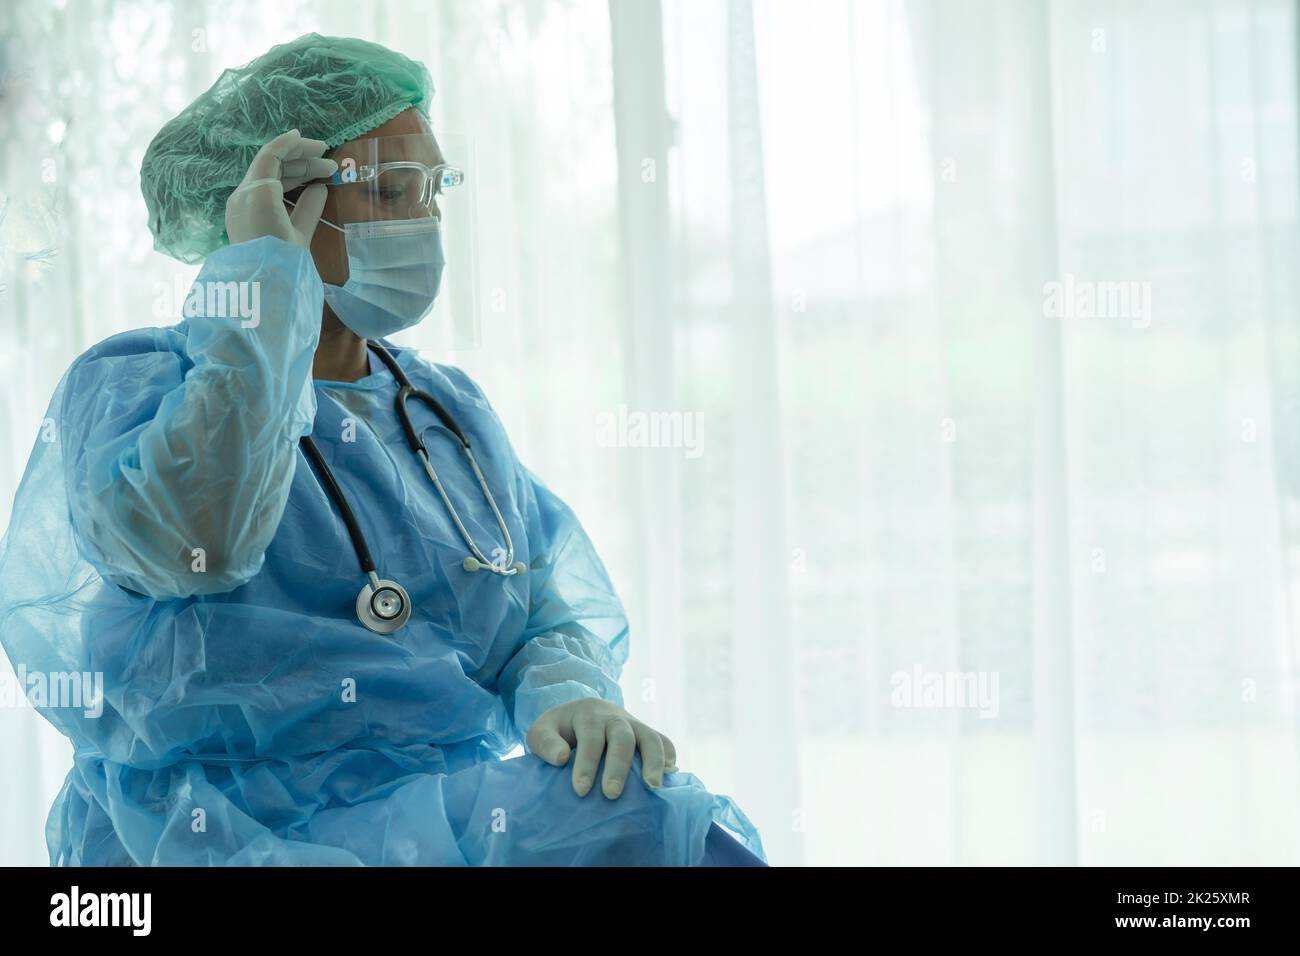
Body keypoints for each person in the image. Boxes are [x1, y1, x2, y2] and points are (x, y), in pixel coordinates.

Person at [0, 34, 766, 866]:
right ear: (283, 200)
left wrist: (571, 696)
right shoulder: (136, 381)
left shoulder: (444, 410)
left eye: (435, 190)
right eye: (396, 189)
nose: (426, 220)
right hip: (211, 829)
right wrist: (260, 281)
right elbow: (199, 543)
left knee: (658, 819)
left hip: (427, 815)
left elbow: (541, 595)